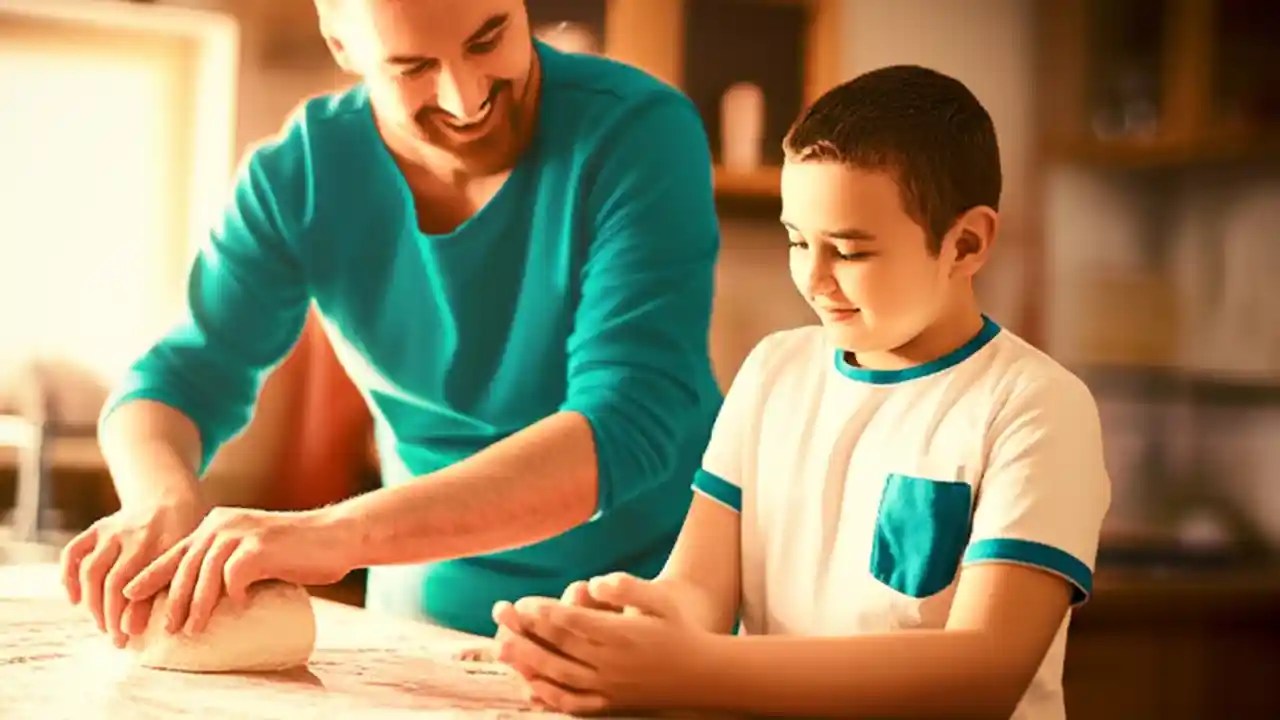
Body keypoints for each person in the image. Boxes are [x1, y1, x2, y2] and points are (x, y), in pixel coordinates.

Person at [57, 0, 723, 643]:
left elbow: (627, 425)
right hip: (416, 627)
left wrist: (330, 535)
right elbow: (176, 380)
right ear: (342, 46)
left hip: (642, 614)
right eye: (412, 67)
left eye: (489, 37)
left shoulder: (638, 131)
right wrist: (158, 501)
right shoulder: (300, 174)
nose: (466, 99)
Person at [493, 65, 1112, 719]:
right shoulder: (774, 371)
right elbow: (698, 593)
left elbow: (984, 671)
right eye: (797, 241)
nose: (814, 278)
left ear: (965, 243)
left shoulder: (1035, 406)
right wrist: (632, 623)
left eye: (850, 251)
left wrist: (687, 667)